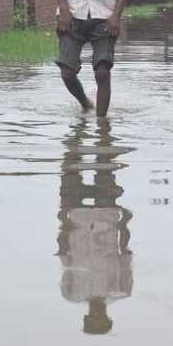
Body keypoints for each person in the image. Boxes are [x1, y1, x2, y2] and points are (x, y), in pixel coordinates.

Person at [56, 120, 133, 335]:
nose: (96, 314)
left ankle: (77, 132)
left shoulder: (71, 294)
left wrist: (62, 220)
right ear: (107, 316)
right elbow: (126, 254)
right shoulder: (121, 291)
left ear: (87, 316)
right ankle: (101, 131)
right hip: (108, 220)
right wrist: (125, 222)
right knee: (105, 165)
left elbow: (64, 254)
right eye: (100, 318)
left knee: (70, 166)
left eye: (93, 318)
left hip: (76, 222)